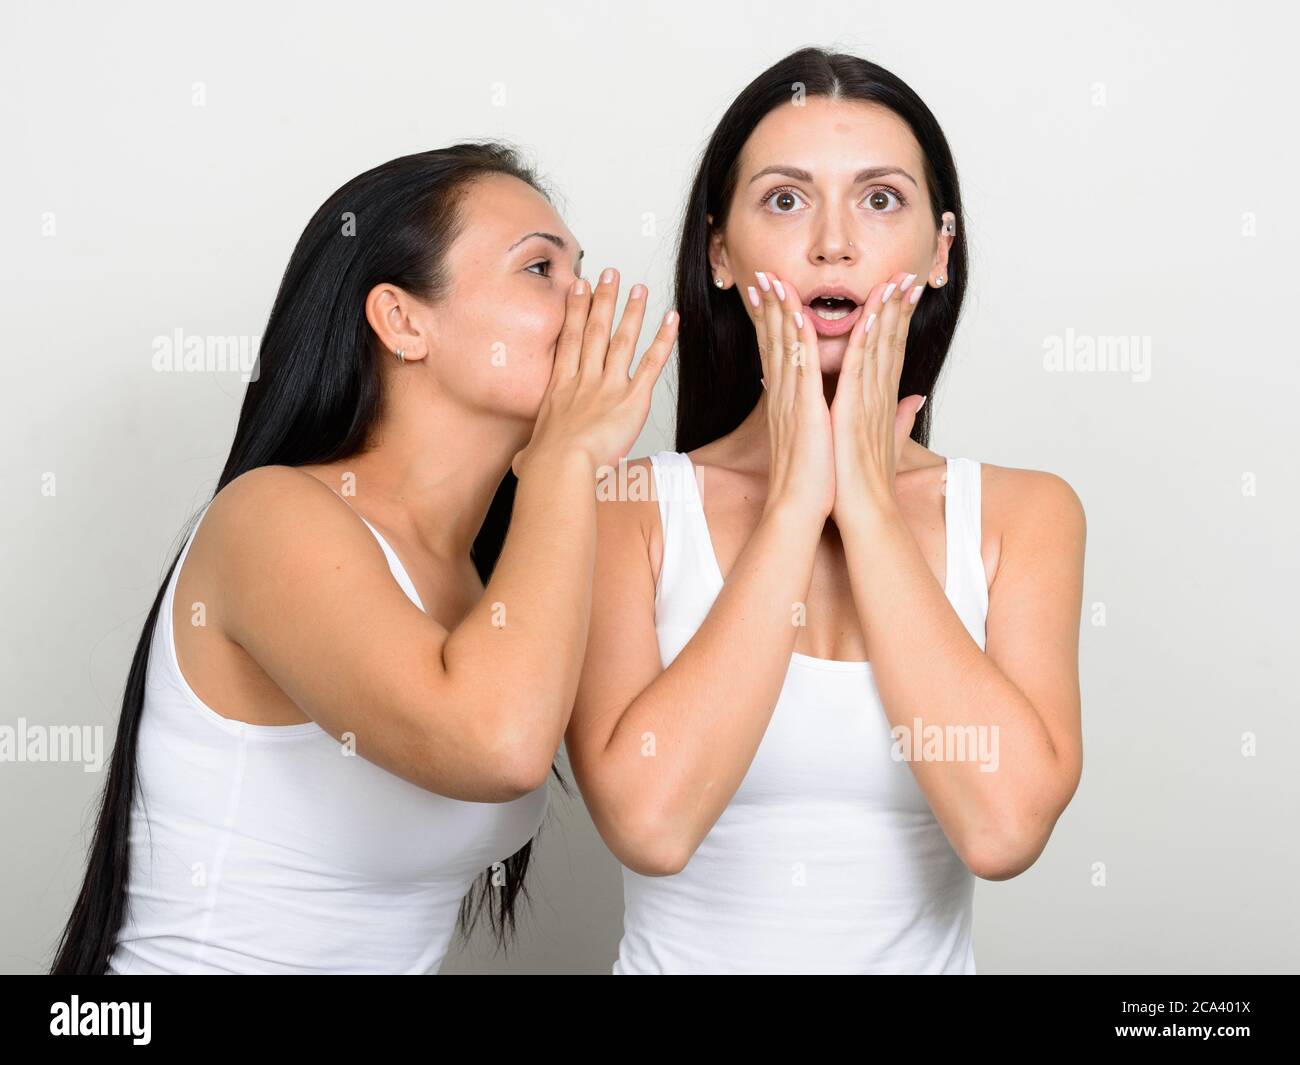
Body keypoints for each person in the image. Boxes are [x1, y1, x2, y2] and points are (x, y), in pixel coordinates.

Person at [51, 143, 677, 974]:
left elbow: (655, 808)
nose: (589, 300)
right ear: (403, 321)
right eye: (540, 269)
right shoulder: (270, 517)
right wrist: (568, 460)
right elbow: (497, 743)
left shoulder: (498, 576)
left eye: (581, 269)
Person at [566, 48, 1086, 974]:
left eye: (881, 199)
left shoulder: (1025, 514)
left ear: (940, 251)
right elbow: (651, 822)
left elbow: (1003, 828)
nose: (833, 245)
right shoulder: (623, 507)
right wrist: (799, 499)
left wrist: (872, 507)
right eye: (785, 199)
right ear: (719, 252)